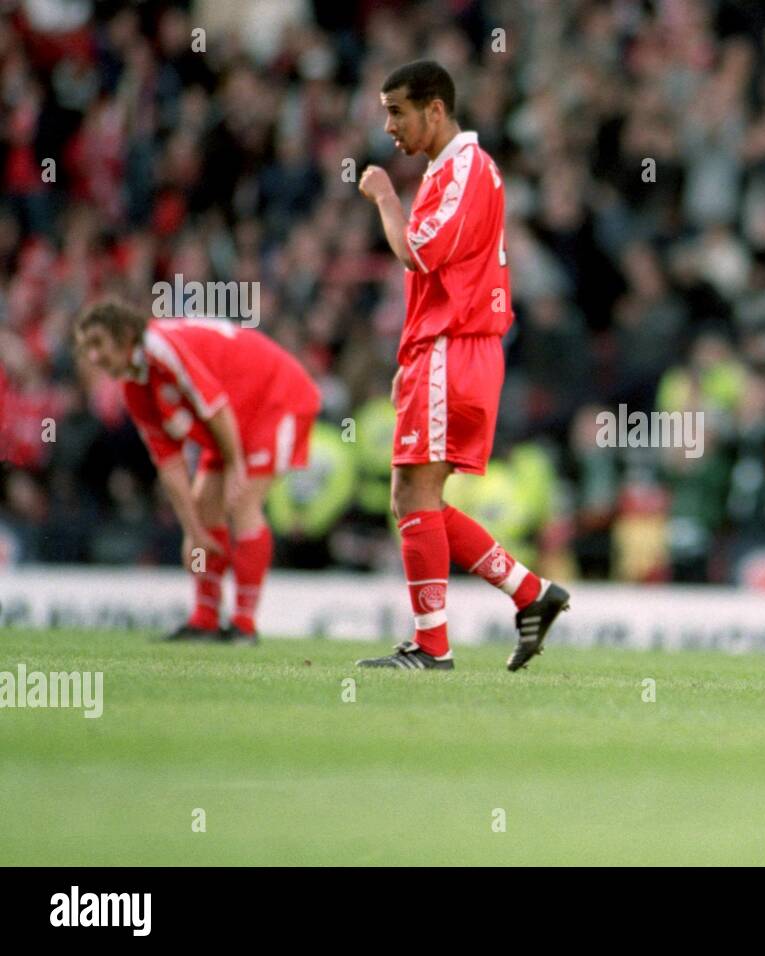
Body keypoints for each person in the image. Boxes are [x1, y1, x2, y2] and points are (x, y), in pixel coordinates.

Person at [356, 59, 569, 672]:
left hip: (457, 348)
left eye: (397, 110)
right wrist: (410, 357)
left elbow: (418, 253)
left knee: (413, 493)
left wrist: (384, 196)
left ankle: (432, 647)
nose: (389, 126)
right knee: (418, 498)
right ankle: (532, 594)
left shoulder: (464, 168)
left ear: (436, 109)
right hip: (443, 348)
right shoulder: (449, 170)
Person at [75, 301, 320, 642]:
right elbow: (170, 465)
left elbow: (215, 406)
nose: (93, 357)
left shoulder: (160, 346)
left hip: (274, 397)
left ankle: (244, 625)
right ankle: (205, 618)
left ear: (124, 334)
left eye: (98, 343)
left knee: (243, 503)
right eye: (87, 347)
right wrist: (192, 532)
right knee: (205, 511)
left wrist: (236, 466)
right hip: (235, 415)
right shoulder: (135, 386)